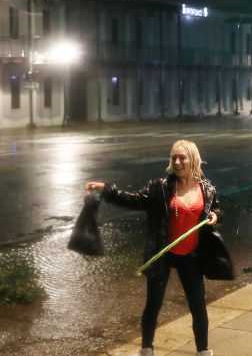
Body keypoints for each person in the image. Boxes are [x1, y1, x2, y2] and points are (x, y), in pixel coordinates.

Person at [85, 139, 221, 356]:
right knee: (153, 305)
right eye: (173, 157)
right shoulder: (160, 188)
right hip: (163, 252)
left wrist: (215, 216)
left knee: (198, 305)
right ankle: (146, 350)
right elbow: (134, 200)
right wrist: (107, 190)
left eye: (182, 157)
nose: (177, 162)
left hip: (192, 255)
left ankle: (203, 351)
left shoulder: (207, 188)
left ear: (193, 159)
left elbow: (215, 209)